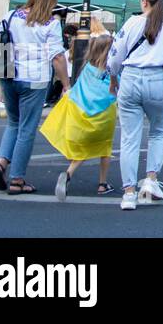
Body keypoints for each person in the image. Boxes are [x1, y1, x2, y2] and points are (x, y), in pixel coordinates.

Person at [108, 0, 163, 210]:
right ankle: (151, 179)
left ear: (144, 2)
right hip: (157, 80)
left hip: (130, 78)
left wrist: (113, 79)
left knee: (129, 138)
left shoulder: (131, 23)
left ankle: (129, 193)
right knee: (159, 131)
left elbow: (114, 55)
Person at [0, 0, 70, 195]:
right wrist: (65, 84)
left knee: (13, 122)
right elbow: (57, 56)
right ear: (51, 2)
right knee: (27, 128)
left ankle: (1, 163)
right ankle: (17, 179)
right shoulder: (50, 23)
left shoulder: (11, 16)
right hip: (34, 79)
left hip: (9, 74)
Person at [41, 34, 117, 200]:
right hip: (105, 113)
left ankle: (68, 174)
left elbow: (77, 91)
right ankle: (102, 183)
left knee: (84, 149)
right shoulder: (113, 72)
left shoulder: (87, 68)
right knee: (105, 148)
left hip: (82, 112)